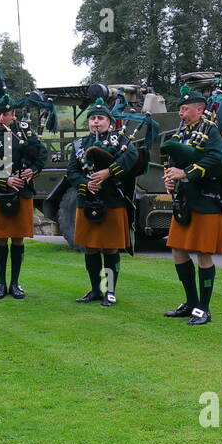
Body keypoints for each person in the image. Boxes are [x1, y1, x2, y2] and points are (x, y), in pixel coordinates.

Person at [162, 85, 222, 326]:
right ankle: (190, 302)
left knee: (203, 252)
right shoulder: (180, 133)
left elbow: (215, 158)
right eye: (180, 109)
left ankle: (204, 308)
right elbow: (171, 160)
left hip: (206, 199)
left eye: (185, 109)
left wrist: (185, 173)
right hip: (184, 200)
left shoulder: (211, 130)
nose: (181, 113)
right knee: (178, 249)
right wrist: (170, 179)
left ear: (199, 109)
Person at [66, 98, 136, 307]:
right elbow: (72, 172)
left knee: (110, 249)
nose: (96, 122)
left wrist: (108, 173)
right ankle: (96, 290)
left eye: (101, 118)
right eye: (93, 119)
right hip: (87, 202)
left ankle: (110, 291)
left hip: (112, 201)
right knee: (90, 248)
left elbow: (131, 158)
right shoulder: (79, 144)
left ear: (109, 122)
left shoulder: (121, 140)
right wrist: (86, 185)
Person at [0, 93, 48, 299]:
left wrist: (33, 170)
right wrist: (5, 180)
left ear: (13, 114)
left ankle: (15, 283)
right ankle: (1, 283)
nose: (1, 118)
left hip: (22, 193)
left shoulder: (26, 133)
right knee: (0, 240)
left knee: (18, 240)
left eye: (5, 114)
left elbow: (42, 155)